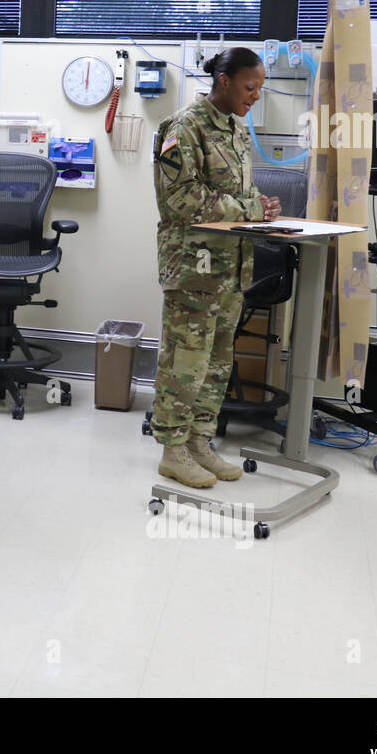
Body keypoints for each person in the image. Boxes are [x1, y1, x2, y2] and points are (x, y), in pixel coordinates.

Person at [150, 47, 281, 488]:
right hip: (194, 267)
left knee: (218, 362)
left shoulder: (237, 130)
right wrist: (249, 209)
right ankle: (172, 449)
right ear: (223, 81)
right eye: (250, 87)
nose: (255, 96)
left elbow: (237, 191)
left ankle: (200, 442)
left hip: (231, 266)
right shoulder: (182, 129)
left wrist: (261, 204)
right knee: (184, 361)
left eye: (260, 88)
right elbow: (182, 200)